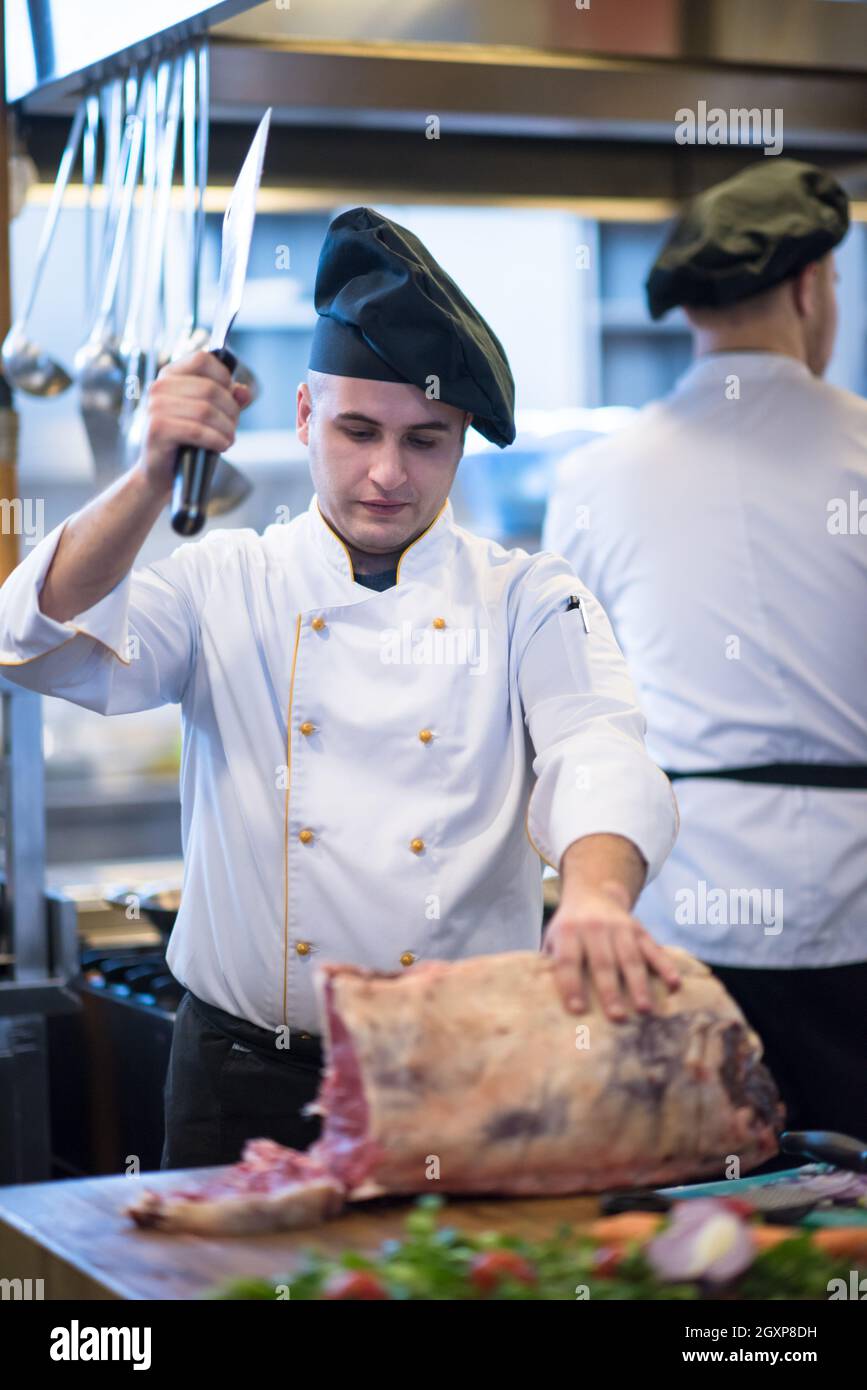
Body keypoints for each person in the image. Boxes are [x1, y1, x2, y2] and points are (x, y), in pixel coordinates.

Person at [0, 207, 678, 1169]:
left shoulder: (529, 598)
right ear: (307, 416)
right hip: (238, 1076)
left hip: (463, 1070)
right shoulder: (226, 580)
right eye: (358, 431)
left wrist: (600, 897)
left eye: (427, 440)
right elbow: (31, 640)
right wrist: (155, 470)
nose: (388, 475)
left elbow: (599, 749)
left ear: (460, 443)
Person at [544, 161, 867, 1140]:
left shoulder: (594, 477)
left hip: (671, 922)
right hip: (856, 913)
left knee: (697, 1211)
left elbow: (568, 708)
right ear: (812, 288)